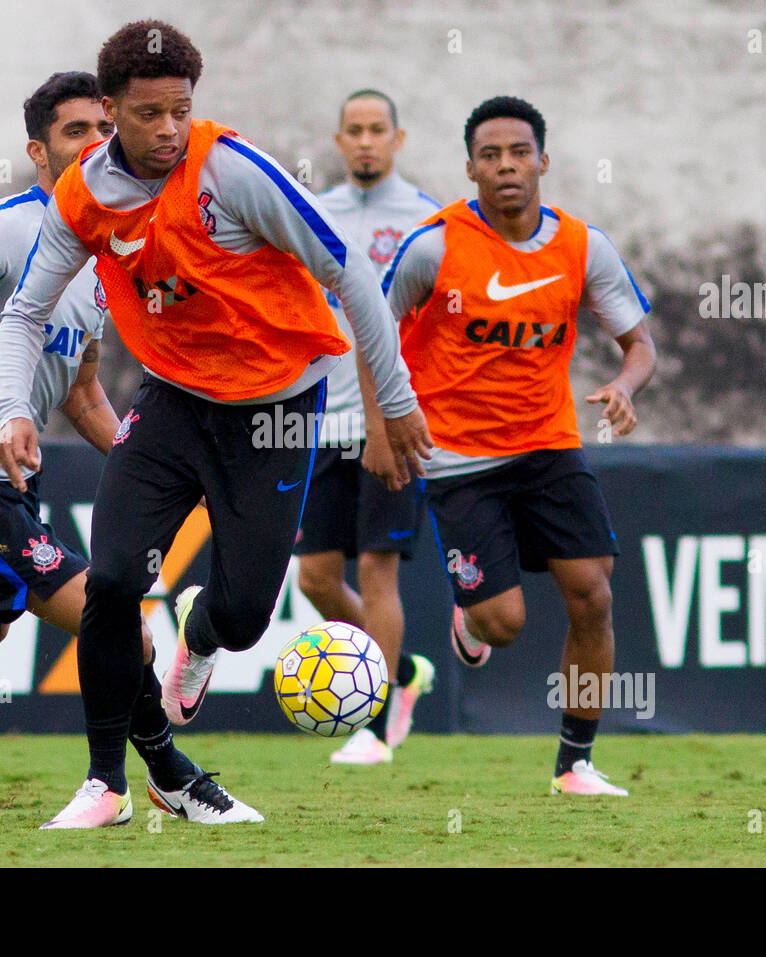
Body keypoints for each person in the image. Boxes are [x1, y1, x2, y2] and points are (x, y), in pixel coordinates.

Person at [0, 21, 433, 828]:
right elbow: (24, 311)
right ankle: (106, 784)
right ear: (111, 109)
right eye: (149, 113)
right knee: (115, 580)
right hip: (170, 403)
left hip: (274, 409)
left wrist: (395, 400)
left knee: (242, 615)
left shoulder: (229, 170)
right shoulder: (85, 192)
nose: (168, 130)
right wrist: (14, 409)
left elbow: (352, 270)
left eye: (180, 111)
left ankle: (199, 637)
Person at [0, 71, 260, 825]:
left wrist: (169, 469)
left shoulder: (105, 252)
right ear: (38, 151)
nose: (96, 145)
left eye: (103, 130)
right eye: (76, 132)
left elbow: (82, 395)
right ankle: (172, 775)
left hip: (10, 483)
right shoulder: (3, 230)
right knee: (120, 619)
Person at [383, 95, 656, 796]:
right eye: (490, 155)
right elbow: (374, 327)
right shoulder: (434, 245)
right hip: (457, 457)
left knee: (593, 594)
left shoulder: (582, 245)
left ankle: (575, 763)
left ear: (543, 160)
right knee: (504, 624)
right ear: (470, 167)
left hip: (549, 444)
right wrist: (389, 418)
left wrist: (626, 385)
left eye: (519, 153)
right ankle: (470, 617)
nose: (506, 166)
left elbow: (640, 344)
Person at [295, 90, 439, 765]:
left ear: (398, 138)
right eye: (353, 130)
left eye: (377, 130)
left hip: (394, 425)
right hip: (324, 422)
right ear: (338, 137)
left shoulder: (425, 218)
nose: (365, 142)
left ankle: (375, 726)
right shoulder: (316, 212)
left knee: (379, 571)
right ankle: (400, 669)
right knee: (317, 578)